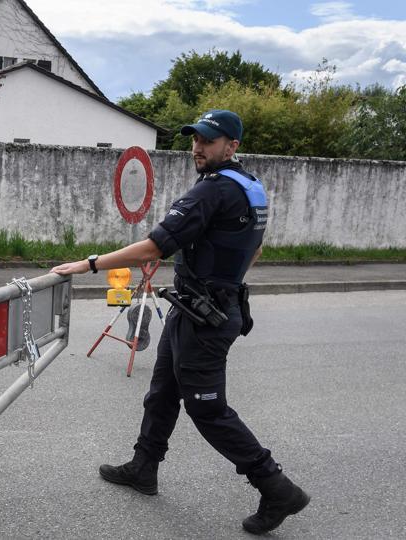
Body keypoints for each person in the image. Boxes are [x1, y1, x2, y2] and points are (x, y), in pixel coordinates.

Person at [52, 110, 308, 535]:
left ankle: (276, 487)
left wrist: (88, 264)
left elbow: (155, 247)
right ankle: (144, 466)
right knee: (162, 392)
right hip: (197, 306)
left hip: (204, 318)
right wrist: (221, 281)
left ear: (232, 146)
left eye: (208, 141)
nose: (197, 148)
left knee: (208, 409)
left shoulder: (214, 189)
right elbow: (256, 249)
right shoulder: (250, 186)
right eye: (195, 139)